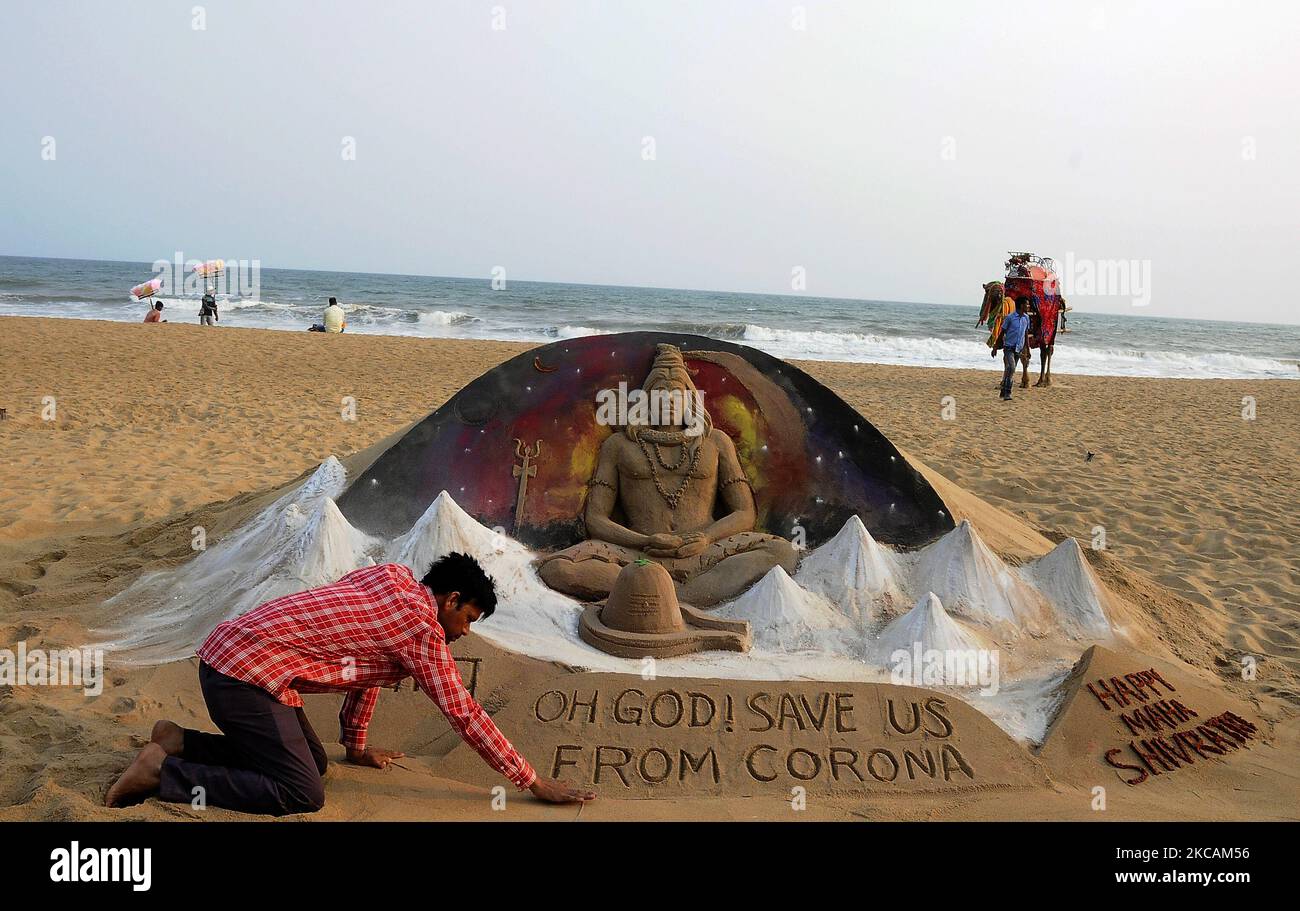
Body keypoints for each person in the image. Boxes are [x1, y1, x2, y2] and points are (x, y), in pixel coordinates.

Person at [104, 553, 596, 815]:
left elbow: (366, 667)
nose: (465, 632)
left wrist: (355, 748)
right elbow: (464, 713)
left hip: (236, 658)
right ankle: (162, 774)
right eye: (468, 617)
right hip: (243, 676)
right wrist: (530, 780)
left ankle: (179, 741)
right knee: (302, 792)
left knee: (315, 763)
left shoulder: (393, 578)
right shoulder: (424, 633)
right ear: (450, 600)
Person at [992, 297, 1031, 401]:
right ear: (1021, 305)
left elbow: (1026, 334)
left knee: (1010, 370)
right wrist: (995, 347)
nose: (1028, 306)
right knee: (1012, 368)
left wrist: (1028, 349)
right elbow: (1002, 333)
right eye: (1026, 304)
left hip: (1019, 348)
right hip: (1009, 347)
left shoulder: (1026, 318)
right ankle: (1008, 393)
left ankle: (1003, 391)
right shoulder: (1010, 318)